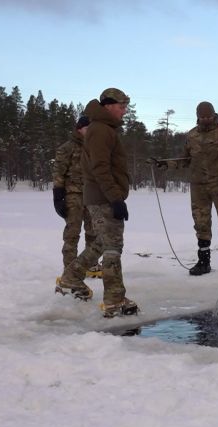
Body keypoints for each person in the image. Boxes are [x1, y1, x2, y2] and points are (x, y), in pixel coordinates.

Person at [55, 88, 139, 318]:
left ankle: (71, 279)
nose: (124, 112)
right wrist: (114, 198)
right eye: (121, 107)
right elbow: (100, 167)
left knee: (102, 243)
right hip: (103, 197)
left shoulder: (102, 128)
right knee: (113, 248)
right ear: (108, 105)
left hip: (100, 195)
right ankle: (114, 300)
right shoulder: (101, 130)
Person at [155, 101, 218, 277]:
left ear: (213, 115)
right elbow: (184, 159)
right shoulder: (192, 136)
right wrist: (166, 164)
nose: (205, 120)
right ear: (198, 116)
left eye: (208, 116)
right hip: (198, 187)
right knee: (201, 224)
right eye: (202, 117)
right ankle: (204, 263)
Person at [52, 116, 101, 278]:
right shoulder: (67, 148)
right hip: (73, 196)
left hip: (92, 195)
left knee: (94, 232)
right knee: (72, 234)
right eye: (88, 128)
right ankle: (70, 270)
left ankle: (91, 264)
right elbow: (58, 172)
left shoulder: (95, 148)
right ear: (79, 128)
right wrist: (58, 197)